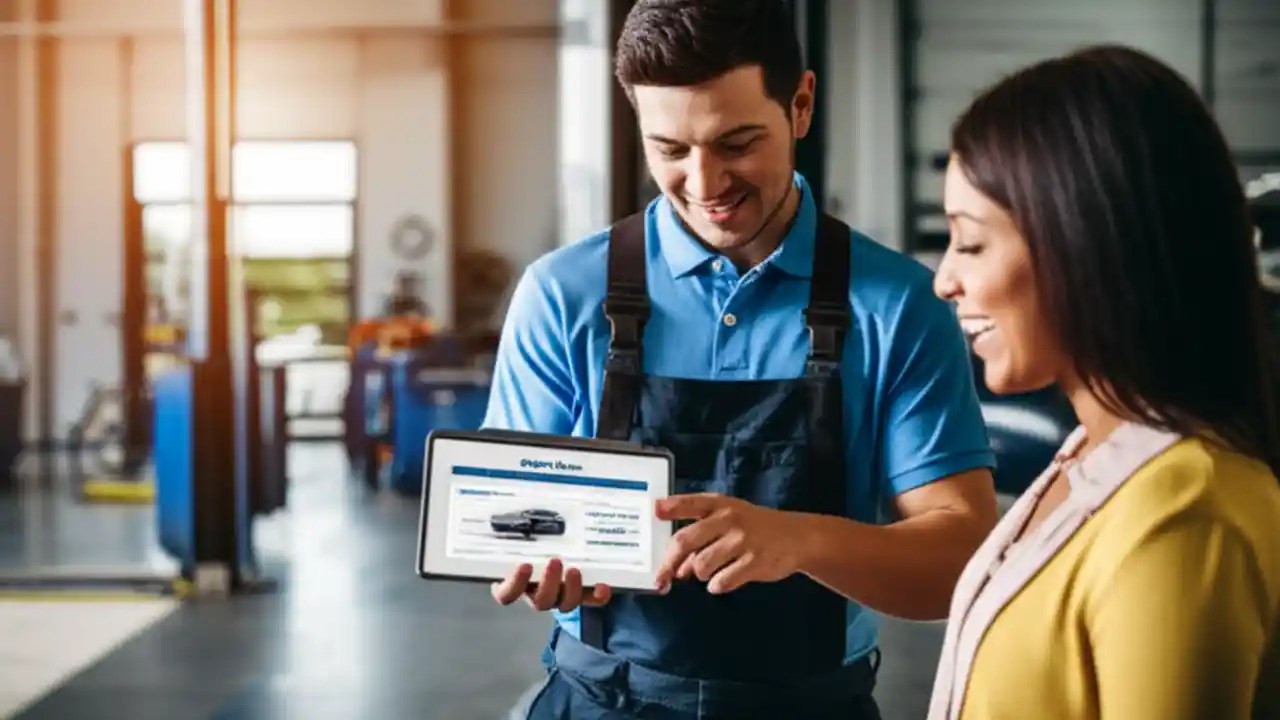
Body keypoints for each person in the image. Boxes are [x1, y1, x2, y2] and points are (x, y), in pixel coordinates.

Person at [482, 2, 999, 718]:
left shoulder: (897, 306)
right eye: (670, 149)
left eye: (737, 143)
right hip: (601, 702)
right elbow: (504, 517)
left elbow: (960, 560)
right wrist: (532, 561)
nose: (705, 183)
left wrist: (800, 539)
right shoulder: (561, 295)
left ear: (802, 104)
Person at [926, 45, 1280, 720]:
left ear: (1079, 240)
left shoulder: (1185, 509)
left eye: (970, 242)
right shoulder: (1089, 461)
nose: (946, 279)